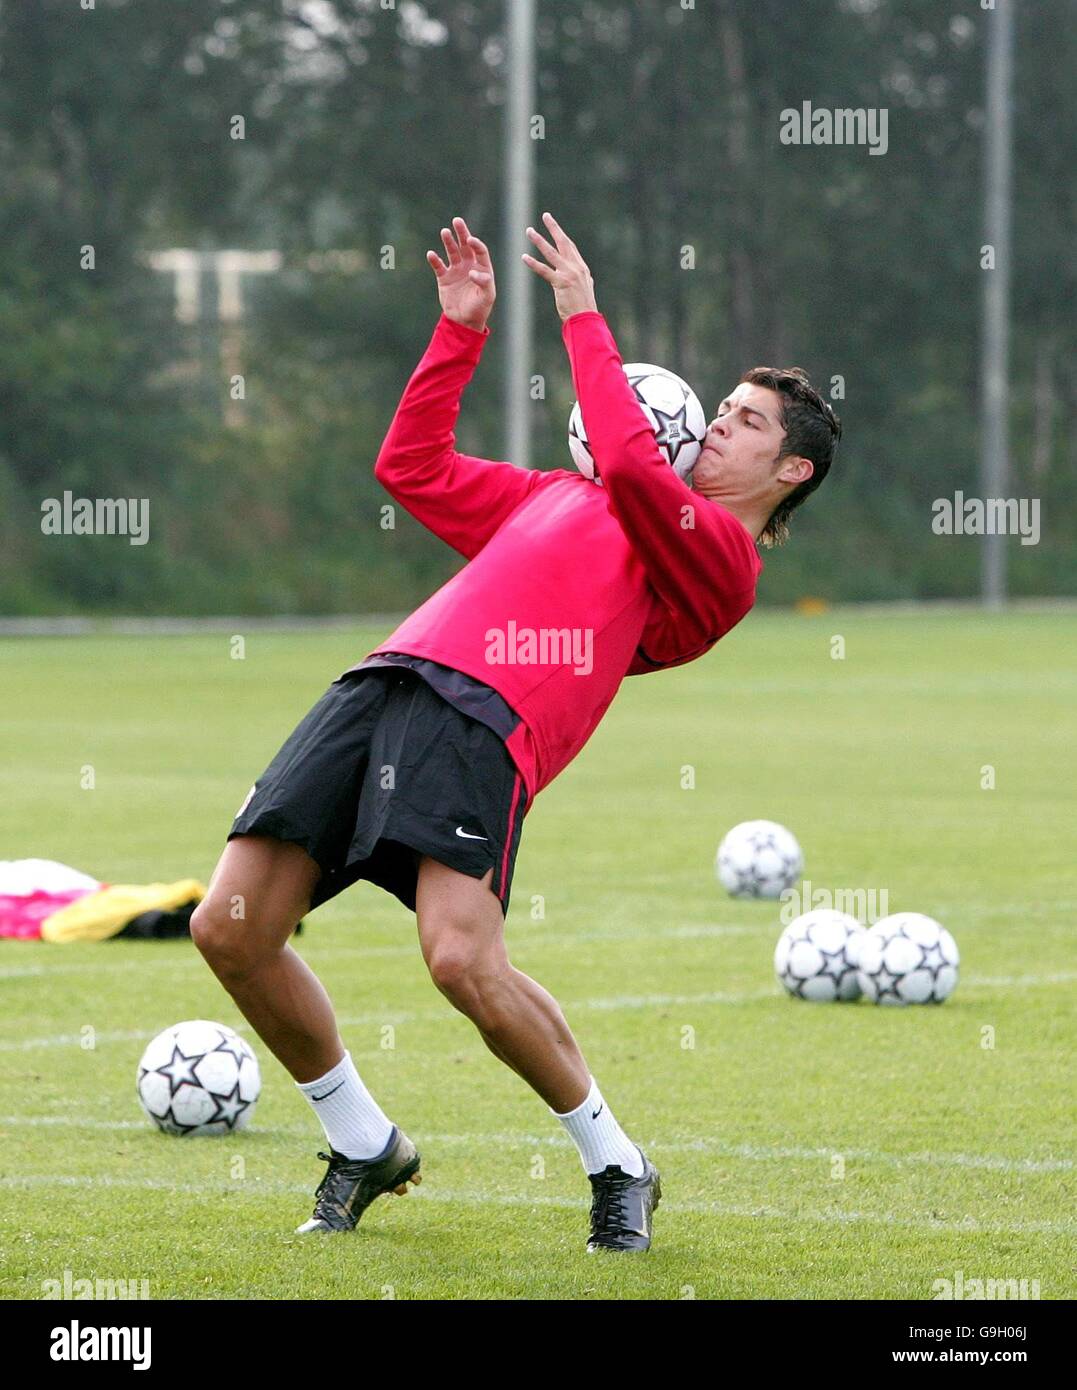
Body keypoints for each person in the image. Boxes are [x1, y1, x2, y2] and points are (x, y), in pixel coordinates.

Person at [190, 212, 841, 1252]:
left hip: (487, 719)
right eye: (722, 407)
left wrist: (582, 314)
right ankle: (363, 1141)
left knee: (461, 962)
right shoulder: (564, 492)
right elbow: (409, 467)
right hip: (383, 682)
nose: (721, 422)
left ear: (791, 473)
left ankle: (617, 1161)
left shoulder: (718, 560)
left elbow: (634, 469)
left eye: (750, 423)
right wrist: (461, 331)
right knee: (227, 926)